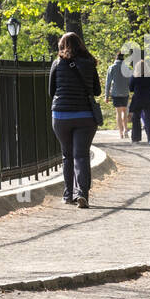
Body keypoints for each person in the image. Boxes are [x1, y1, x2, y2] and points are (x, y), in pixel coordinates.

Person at [48, 32, 101, 209]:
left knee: (67, 155)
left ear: (62, 46)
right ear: (80, 45)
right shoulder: (89, 63)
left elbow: (51, 91)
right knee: (81, 156)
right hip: (85, 116)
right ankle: (82, 194)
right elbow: (97, 91)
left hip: (61, 116)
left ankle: (68, 194)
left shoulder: (57, 63)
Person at [128, 58, 150, 145]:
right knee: (149, 118)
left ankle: (136, 138)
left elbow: (131, 88)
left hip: (138, 98)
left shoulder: (134, 76)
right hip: (148, 98)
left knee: (136, 118)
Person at [104, 51, 130, 140]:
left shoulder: (112, 67)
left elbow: (108, 83)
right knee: (125, 111)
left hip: (115, 92)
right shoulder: (127, 68)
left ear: (116, 58)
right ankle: (126, 130)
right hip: (125, 92)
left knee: (118, 112)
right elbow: (130, 81)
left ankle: (121, 133)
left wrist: (106, 96)